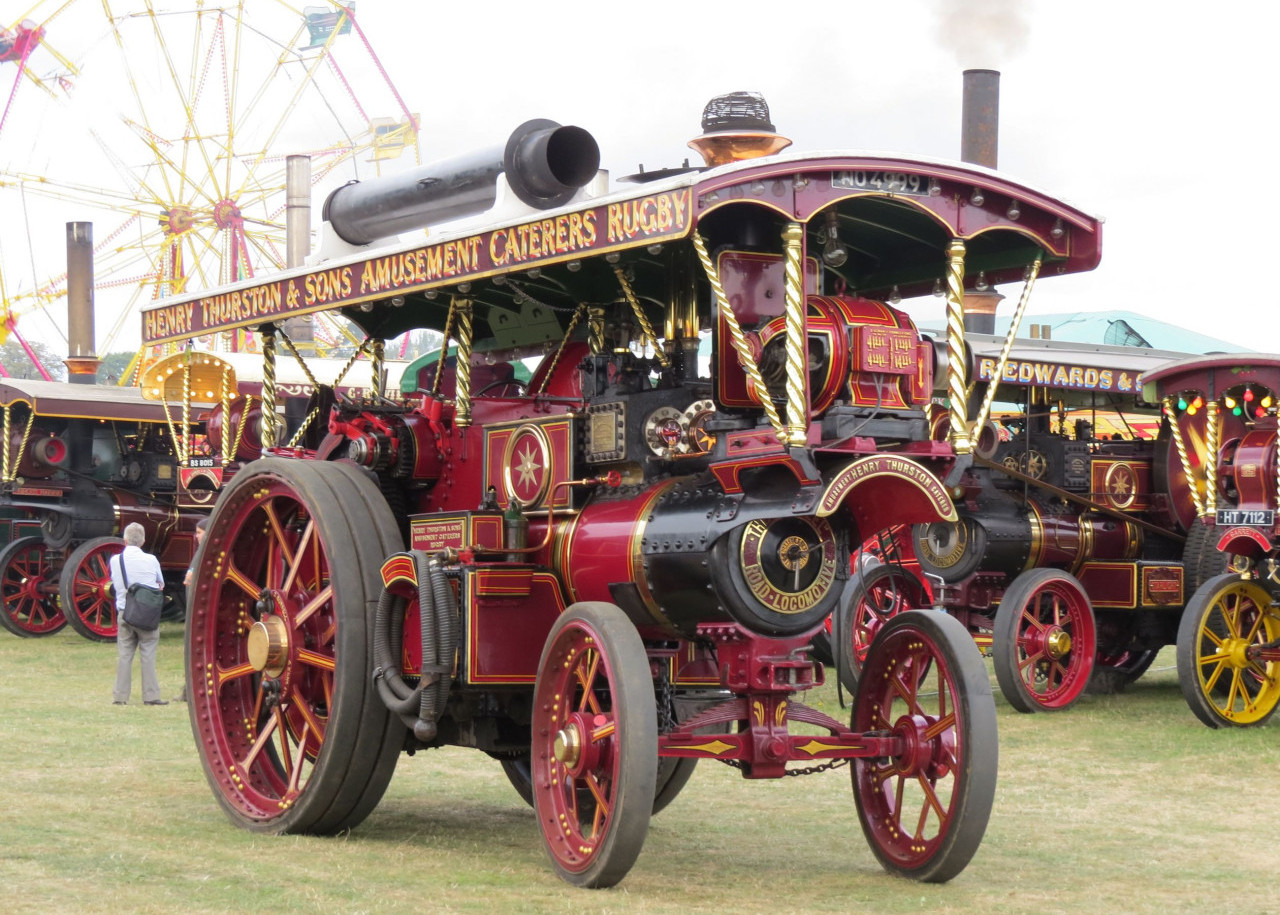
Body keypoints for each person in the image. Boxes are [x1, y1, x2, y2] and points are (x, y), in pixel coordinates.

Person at [110, 522, 168, 706]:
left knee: (125, 655)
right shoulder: (151, 560)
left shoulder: (115, 560)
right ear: (143, 541)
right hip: (146, 614)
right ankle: (151, 696)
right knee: (148, 654)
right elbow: (160, 583)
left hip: (124, 611)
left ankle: (120, 697)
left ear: (124, 540)